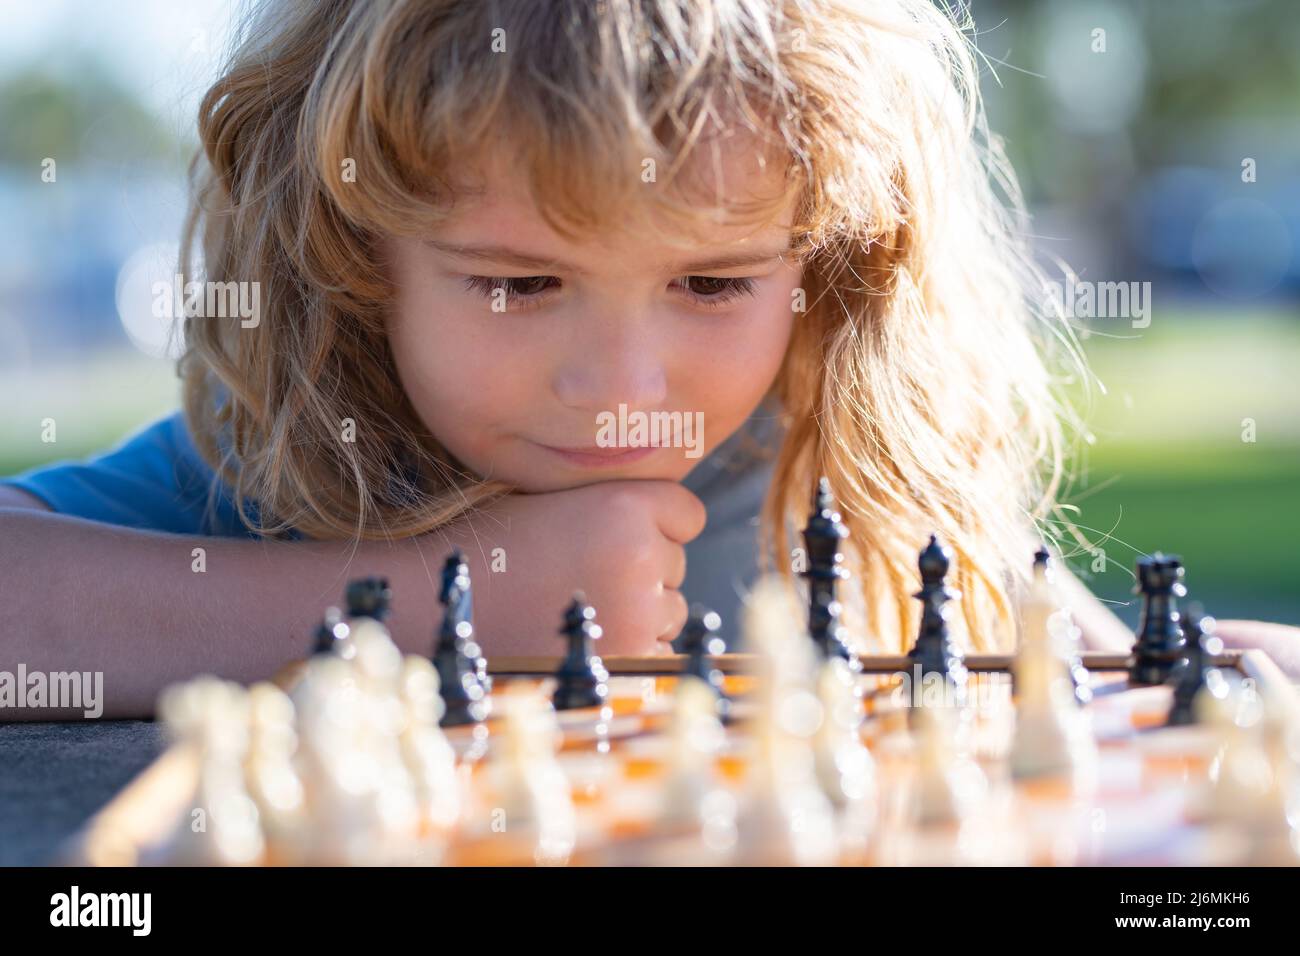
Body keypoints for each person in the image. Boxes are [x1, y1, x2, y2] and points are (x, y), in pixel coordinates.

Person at [1, 0, 1291, 719]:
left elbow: (1094, 677)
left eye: (714, 283)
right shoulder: (288, 464)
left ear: (829, 261)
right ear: (353, 258)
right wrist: (429, 598)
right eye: (519, 284)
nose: (623, 385)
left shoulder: (842, 468)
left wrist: (1196, 675)